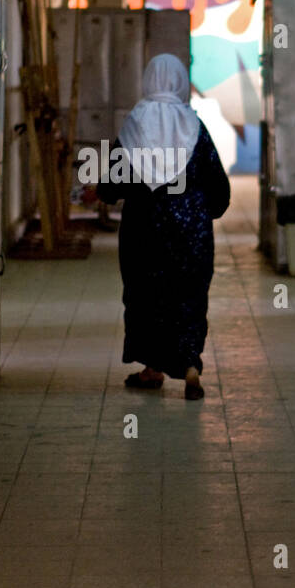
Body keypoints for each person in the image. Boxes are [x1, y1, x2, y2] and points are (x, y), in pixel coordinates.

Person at [95, 52, 230, 400]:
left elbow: (112, 185)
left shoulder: (134, 125)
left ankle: (152, 368)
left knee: (146, 298)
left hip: (144, 232)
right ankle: (190, 368)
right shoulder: (195, 128)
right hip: (191, 233)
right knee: (188, 296)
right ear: (181, 82)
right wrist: (204, 212)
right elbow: (218, 187)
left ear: (148, 80)